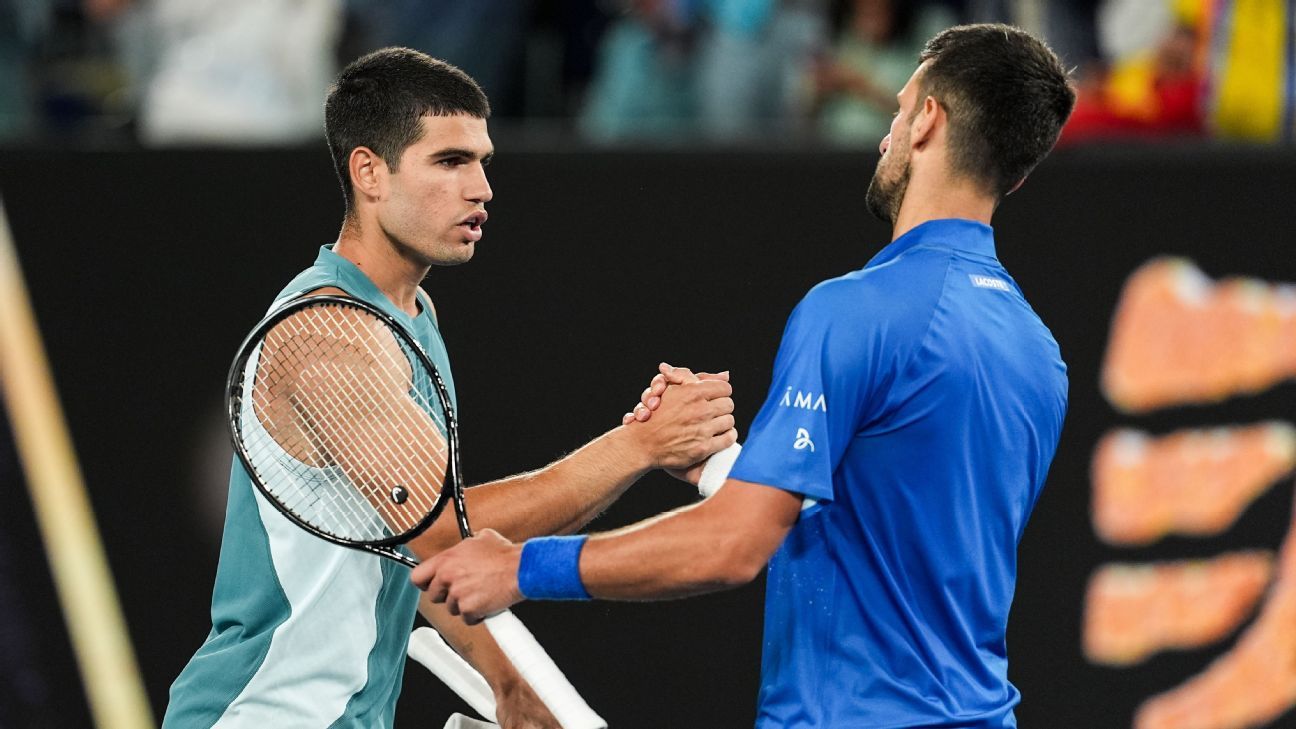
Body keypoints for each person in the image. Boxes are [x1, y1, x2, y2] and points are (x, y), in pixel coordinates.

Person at [414, 23, 1076, 728]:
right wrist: (720, 467)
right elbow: (886, 541)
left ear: (928, 123)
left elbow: (732, 546)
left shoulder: (854, 310)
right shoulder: (1041, 354)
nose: (886, 135)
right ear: (1019, 170)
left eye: (898, 109)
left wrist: (519, 567)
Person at [161, 48, 738, 729]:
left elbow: (410, 548)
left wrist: (507, 680)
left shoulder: (411, 317)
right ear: (369, 172)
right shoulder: (326, 336)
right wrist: (641, 444)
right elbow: (442, 531)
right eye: (450, 161)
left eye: (483, 160)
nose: (481, 187)